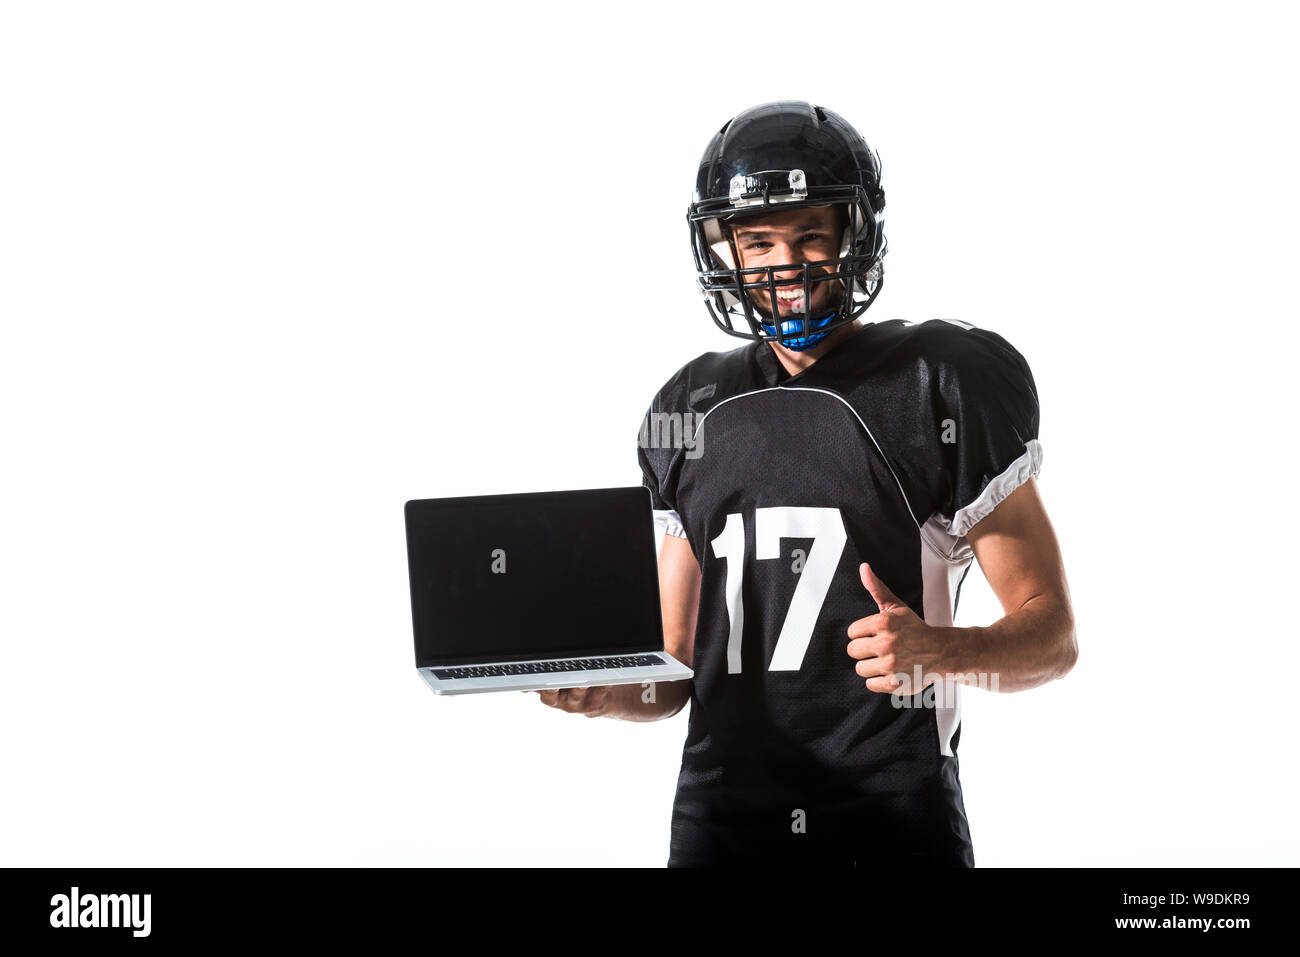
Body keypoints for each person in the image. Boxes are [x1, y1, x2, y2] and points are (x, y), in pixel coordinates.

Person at [536, 101, 1077, 867]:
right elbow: (675, 666)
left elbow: (1053, 635)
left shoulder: (938, 384)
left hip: (890, 815)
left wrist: (945, 650)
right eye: (759, 242)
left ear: (854, 236)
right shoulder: (689, 407)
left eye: (809, 236)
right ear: (726, 250)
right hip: (721, 820)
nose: (785, 267)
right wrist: (607, 692)